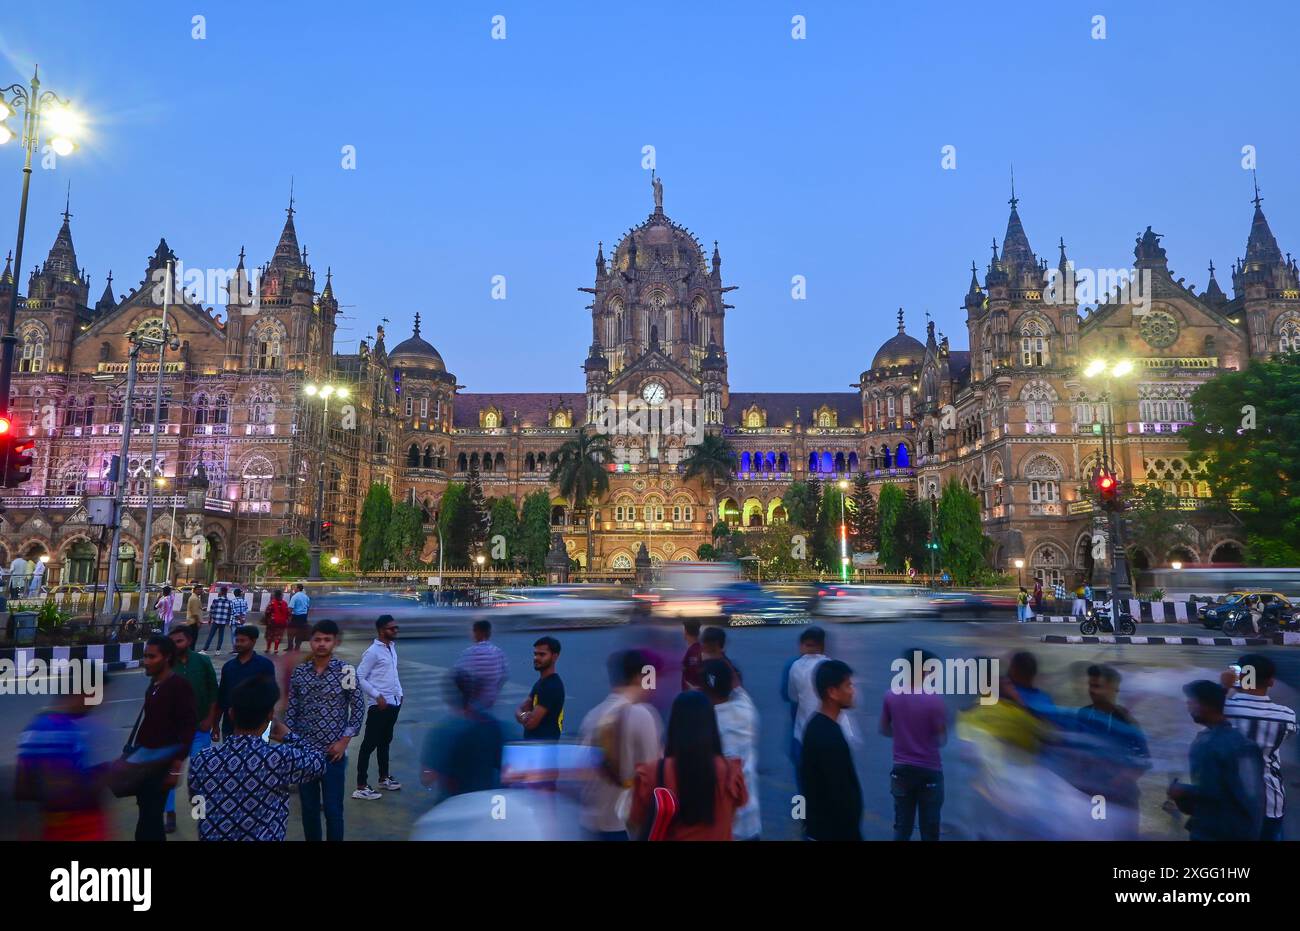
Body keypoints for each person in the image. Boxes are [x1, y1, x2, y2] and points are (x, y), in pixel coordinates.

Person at [189, 677, 328, 841]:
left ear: (232, 714)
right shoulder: (278, 758)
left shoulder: (202, 760)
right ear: (270, 715)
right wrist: (289, 735)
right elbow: (319, 763)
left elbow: (196, 800)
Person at [285, 619, 365, 841]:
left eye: (327, 640)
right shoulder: (300, 672)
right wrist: (293, 747)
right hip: (304, 753)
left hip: (334, 755)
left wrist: (345, 740)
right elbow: (292, 710)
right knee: (309, 810)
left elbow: (358, 707)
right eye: (317, 639)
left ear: (335, 642)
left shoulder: (346, 671)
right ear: (310, 641)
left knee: (332, 810)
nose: (321, 644)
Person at [630, 690, 748, 841]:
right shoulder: (730, 772)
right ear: (711, 726)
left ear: (674, 725)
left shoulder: (652, 774)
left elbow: (636, 822)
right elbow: (733, 817)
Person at [579, 649, 663, 840]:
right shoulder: (642, 715)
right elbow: (653, 776)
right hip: (622, 826)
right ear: (641, 677)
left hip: (590, 823)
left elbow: (583, 771)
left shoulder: (592, 716)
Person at [1167, 679, 1265, 841]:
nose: (1188, 706)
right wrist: (1183, 797)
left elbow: (1247, 797)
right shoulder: (1204, 740)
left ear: (1205, 705)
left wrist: (1184, 791)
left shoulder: (1239, 746)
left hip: (1228, 834)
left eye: (1191, 701)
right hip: (1207, 830)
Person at [16, 686, 111, 840]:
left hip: (56, 822)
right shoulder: (86, 730)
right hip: (82, 822)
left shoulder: (35, 729)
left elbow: (21, 787)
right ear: (82, 693)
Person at [1223, 654, 1297, 840]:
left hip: (1229, 800)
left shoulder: (1225, 709)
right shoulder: (1286, 716)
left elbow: (1209, 710)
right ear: (1271, 682)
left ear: (1240, 678)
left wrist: (1226, 688)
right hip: (1270, 801)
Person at [131, 635, 197, 841]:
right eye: (145, 656)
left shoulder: (179, 687)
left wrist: (175, 768)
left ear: (167, 658)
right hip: (145, 762)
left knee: (149, 824)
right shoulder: (155, 684)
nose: (147, 661)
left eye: (152, 657)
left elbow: (187, 730)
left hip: (161, 765)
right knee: (147, 820)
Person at [1074, 664, 1150, 839]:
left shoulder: (1125, 720)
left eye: (1097, 686)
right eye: (1090, 686)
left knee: (1124, 837)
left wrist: (1122, 779)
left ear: (1112, 688)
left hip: (1122, 797)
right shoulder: (1083, 714)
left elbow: (1144, 759)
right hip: (1094, 795)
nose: (1091, 691)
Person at [880, 648, 947, 841]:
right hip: (929, 771)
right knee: (929, 831)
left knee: (902, 828)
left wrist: (903, 734)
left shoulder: (890, 695)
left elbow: (885, 729)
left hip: (901, 770)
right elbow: (941, 738)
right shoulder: (934, 700)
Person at [163, 625, 218, 834]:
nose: (175, 646)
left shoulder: (202, 661)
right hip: (173, 733)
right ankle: (170, 813)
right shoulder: (166, 664)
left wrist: (211, 720)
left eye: (179, 641)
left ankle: (200, 813)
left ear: (189, 641)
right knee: (170, 774)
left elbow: (213, 691)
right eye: (172, 642)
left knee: (200, 774)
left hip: (199, 729)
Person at [799, 659, 862, 841]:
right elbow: (840, 794)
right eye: (848, 685)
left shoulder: (817, 724)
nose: (853, 691)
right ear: (832, 692)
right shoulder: (829, 738)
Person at [421, 668, 505, 801]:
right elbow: (503, 765)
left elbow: (427, 777)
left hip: (454, 804)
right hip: (486, 800)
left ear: (447, 697)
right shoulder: (491, 724)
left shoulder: (443, 731)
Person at [702, 659, 761, 841]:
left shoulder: (707, 725)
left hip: (724, 826)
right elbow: (737, 686)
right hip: (750, 819)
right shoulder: (747, 710)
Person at [353, 615, 404, 800]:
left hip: (393, 703)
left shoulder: (391, 648)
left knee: (385, 742)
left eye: (396, 627)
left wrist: (399, 694)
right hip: (379, 706)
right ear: (381, 630)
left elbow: (393, 674)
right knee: (368, 746)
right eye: (392, 628)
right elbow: (359, 677)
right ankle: (361, 785)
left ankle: (384, 778)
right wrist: (376, 695)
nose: (395, 630)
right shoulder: (373, 651)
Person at [787, 626, 844, 779]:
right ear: (823, 646)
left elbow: (793, 697)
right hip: (829, 733)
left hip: (804, 732)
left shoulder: (795, 666)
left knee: (807, 779)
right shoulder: (832, 667)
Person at [216, 625, 276, 738]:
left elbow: (270, 694)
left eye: (242, 641)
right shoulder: (228, 667)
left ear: (253, 641)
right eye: (237, 640)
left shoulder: (265, 665)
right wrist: (215, 724)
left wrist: (268, 721)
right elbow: (222, 697)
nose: (238, 643)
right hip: (230, 725)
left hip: (258, 725)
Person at [453, 619, 509, 710]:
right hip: (491, 701)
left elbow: (458, 676)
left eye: (474, 631)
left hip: (473, 702)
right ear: (489, 633)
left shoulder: (469, 652)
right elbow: (503, 676)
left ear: (477, 633)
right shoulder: (498, 652)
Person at [517, 636, 564, 740]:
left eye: (542, 654)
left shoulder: (551, 686)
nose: (536, 658)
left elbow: (531, 723)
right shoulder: (540, 683)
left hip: (543, 748)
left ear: (555, 656)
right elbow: (520, 709)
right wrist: (525, 715)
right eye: (535, 654)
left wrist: (523, 716)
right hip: (535, 747)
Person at [202, 585, 234, 654]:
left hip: (215, 620)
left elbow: (211, 610)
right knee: (221, 636)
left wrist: (210, 620)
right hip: (223, 621)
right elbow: (229, 613)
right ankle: (218, 650)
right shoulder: (229, 602)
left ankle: (205, 649)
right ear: (226, 592)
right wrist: (228, 622)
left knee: (211, 635)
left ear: (221, 592)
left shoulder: (216, 600)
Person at [264, 589, 290, 654]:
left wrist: (267, 619)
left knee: (269, 635)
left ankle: (268, 648)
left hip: (272, 622)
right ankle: (276, 649)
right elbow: (288, 613)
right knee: (278, 636)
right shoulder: (285, 603)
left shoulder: (272, 603)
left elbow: (267, 612)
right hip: (282, 623)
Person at [287, 583, 311, 652]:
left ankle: (290, 647)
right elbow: (308, 607)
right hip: (303, 617)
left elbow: (290, 608)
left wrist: (289, 617)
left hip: (295, 616)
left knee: (290, 632)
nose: (294, 589)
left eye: (295, 588)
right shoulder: (306, 596)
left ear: (297, 588)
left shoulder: (295, 597)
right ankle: (297, 647)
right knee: (300, 632)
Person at [681, 620, 704, 691]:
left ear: (686, 632)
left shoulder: (693, 651)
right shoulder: (700, 648)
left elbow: (694, 671)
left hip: (693, 694)